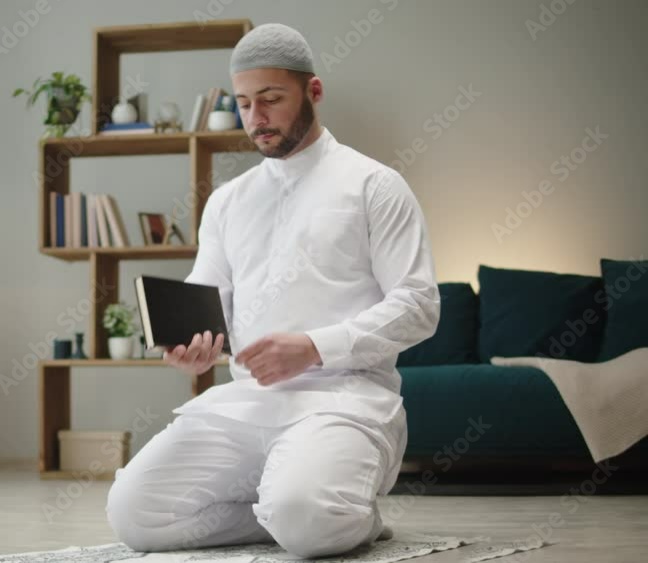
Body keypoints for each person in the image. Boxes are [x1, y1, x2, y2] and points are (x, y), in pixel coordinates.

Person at [105, 23, 440, 559]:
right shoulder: (228, 202)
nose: (255, 119)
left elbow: (419, 307)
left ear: (313, 91)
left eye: (270, 99)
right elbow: (205, 296)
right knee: (134, 515)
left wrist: (313, 346)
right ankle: (289, 513)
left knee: (306, 523)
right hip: (245, 404)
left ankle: (329, 512)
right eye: (242, 103)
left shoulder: (374, 185)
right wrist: (190, 345)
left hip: (344, 402)